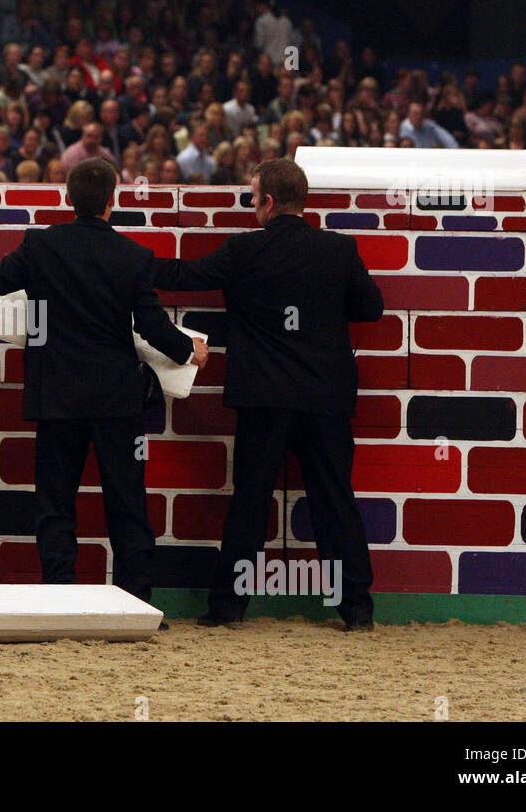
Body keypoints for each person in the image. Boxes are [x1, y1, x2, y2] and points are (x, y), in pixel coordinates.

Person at [0, 158, 209, 621]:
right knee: (127, 499)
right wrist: (189, 350)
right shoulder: (133, 256)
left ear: (68, 198)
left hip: (56, 396)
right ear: (114, 199)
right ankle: (135, 600)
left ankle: (59, 596)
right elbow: (152, 327)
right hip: (116, 398)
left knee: (55, 502)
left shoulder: (41, 246)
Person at [150, 158, 383, 630]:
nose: (251, 204)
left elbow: (183, 276)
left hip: (263, 396)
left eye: (253, 196)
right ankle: (357, 609)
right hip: (324, 396)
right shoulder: (339, 251)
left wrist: (123, 260)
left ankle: (228, 607)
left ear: (269, 201)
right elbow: (371, 308)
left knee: (250, 502)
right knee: (335, 500)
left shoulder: (244, 251)